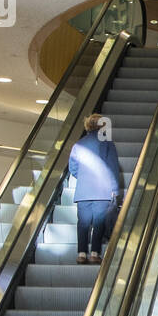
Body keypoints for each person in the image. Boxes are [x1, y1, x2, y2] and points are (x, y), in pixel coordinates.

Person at [68, 113, 123, 264]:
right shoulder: (107, 143)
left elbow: (72, 168)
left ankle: (81, 254)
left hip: (83, 191)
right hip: (102, 191)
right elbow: (112, 167)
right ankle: (94, 253)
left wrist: (85, 178)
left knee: (83, 222)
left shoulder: (78, 144)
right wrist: (115, 189)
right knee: (99, 222)